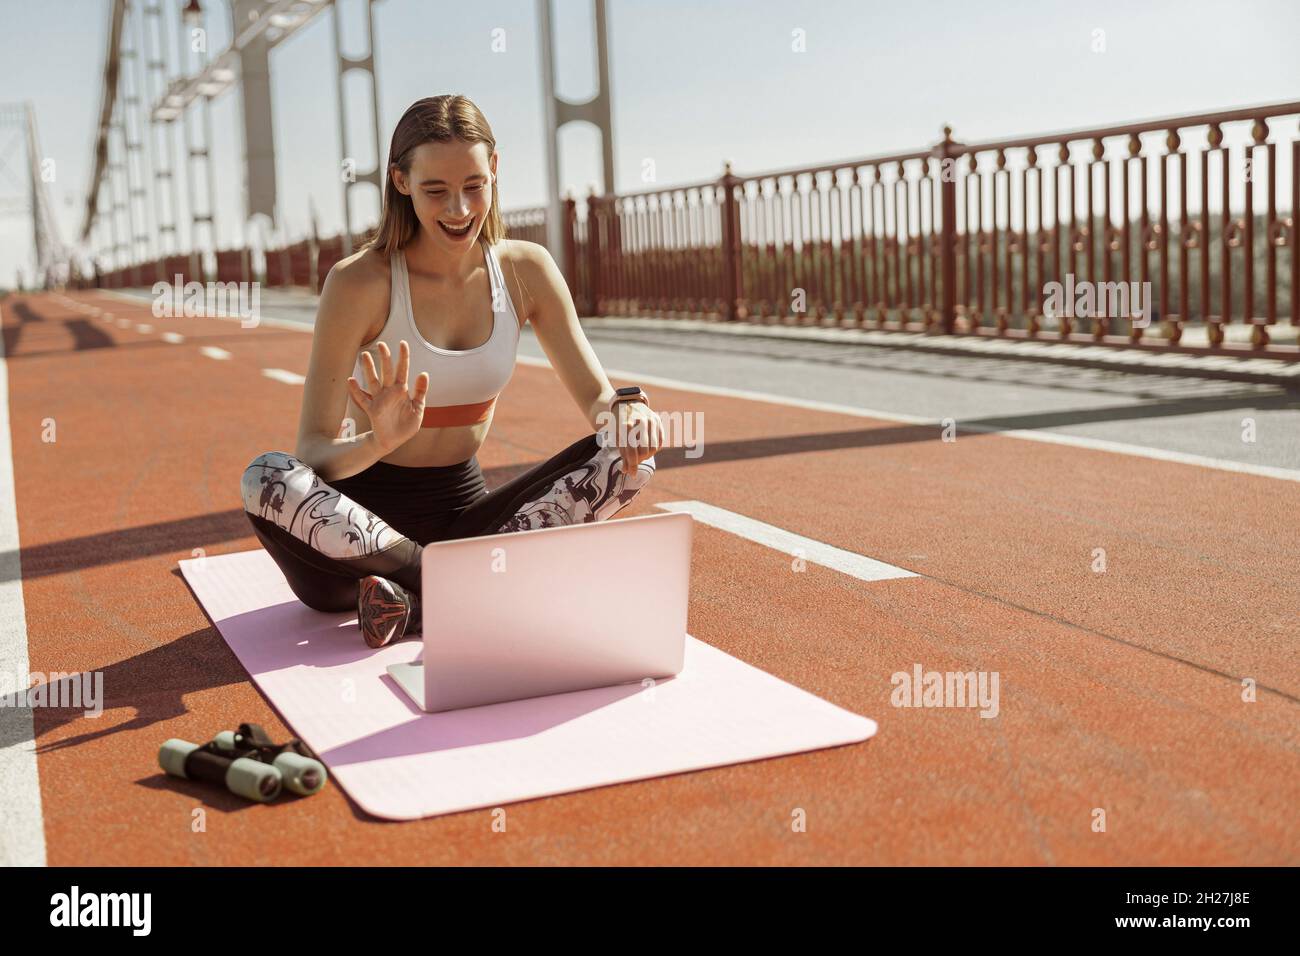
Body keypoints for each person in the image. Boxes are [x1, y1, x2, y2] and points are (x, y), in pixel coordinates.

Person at [239, 95, 663, 648]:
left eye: (474, 185)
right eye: (436, 190)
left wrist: (627, 410)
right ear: (400, 181)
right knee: (266, 476)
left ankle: (414, 601)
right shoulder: (357, 283)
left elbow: (598, 399)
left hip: (467, 523)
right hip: (347, 544)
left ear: (496, 171)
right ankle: (450, 587)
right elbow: (315, 452)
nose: (460, 209)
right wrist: (376, 441)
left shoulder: (526, 270)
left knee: (625, 460)